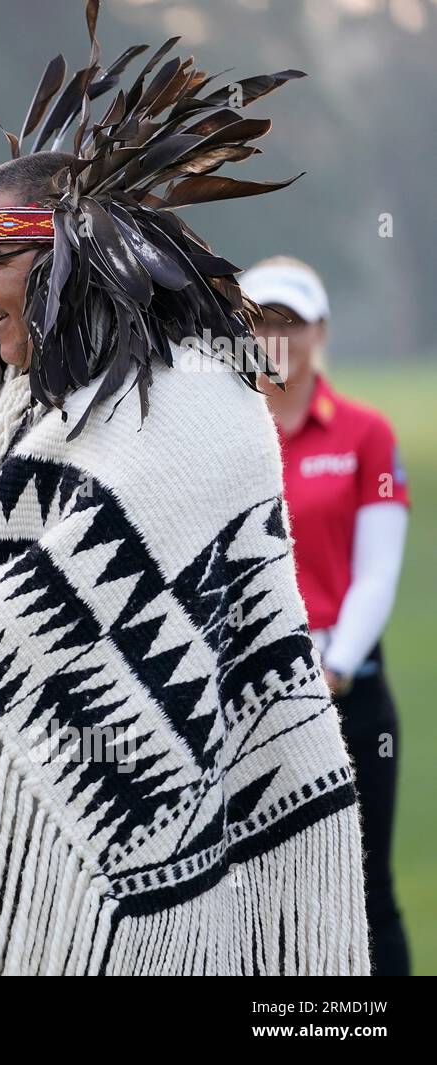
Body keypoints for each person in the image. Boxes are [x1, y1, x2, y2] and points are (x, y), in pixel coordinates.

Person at [0, 6, 371, 975]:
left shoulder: (195, 403)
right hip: (24, 869)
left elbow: (82, 605)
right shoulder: (14, 410)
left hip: (146, 861)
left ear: (68, 259)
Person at [245, 256, 411, 975]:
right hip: (243, 692)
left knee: (364, 887)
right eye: (261, 321)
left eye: (292, 322)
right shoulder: (222, 430)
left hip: (344, 685)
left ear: (320, 332)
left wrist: (335, 663)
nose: (277, 337)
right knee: (255, 895)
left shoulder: (364, 433)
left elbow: (377, 568)